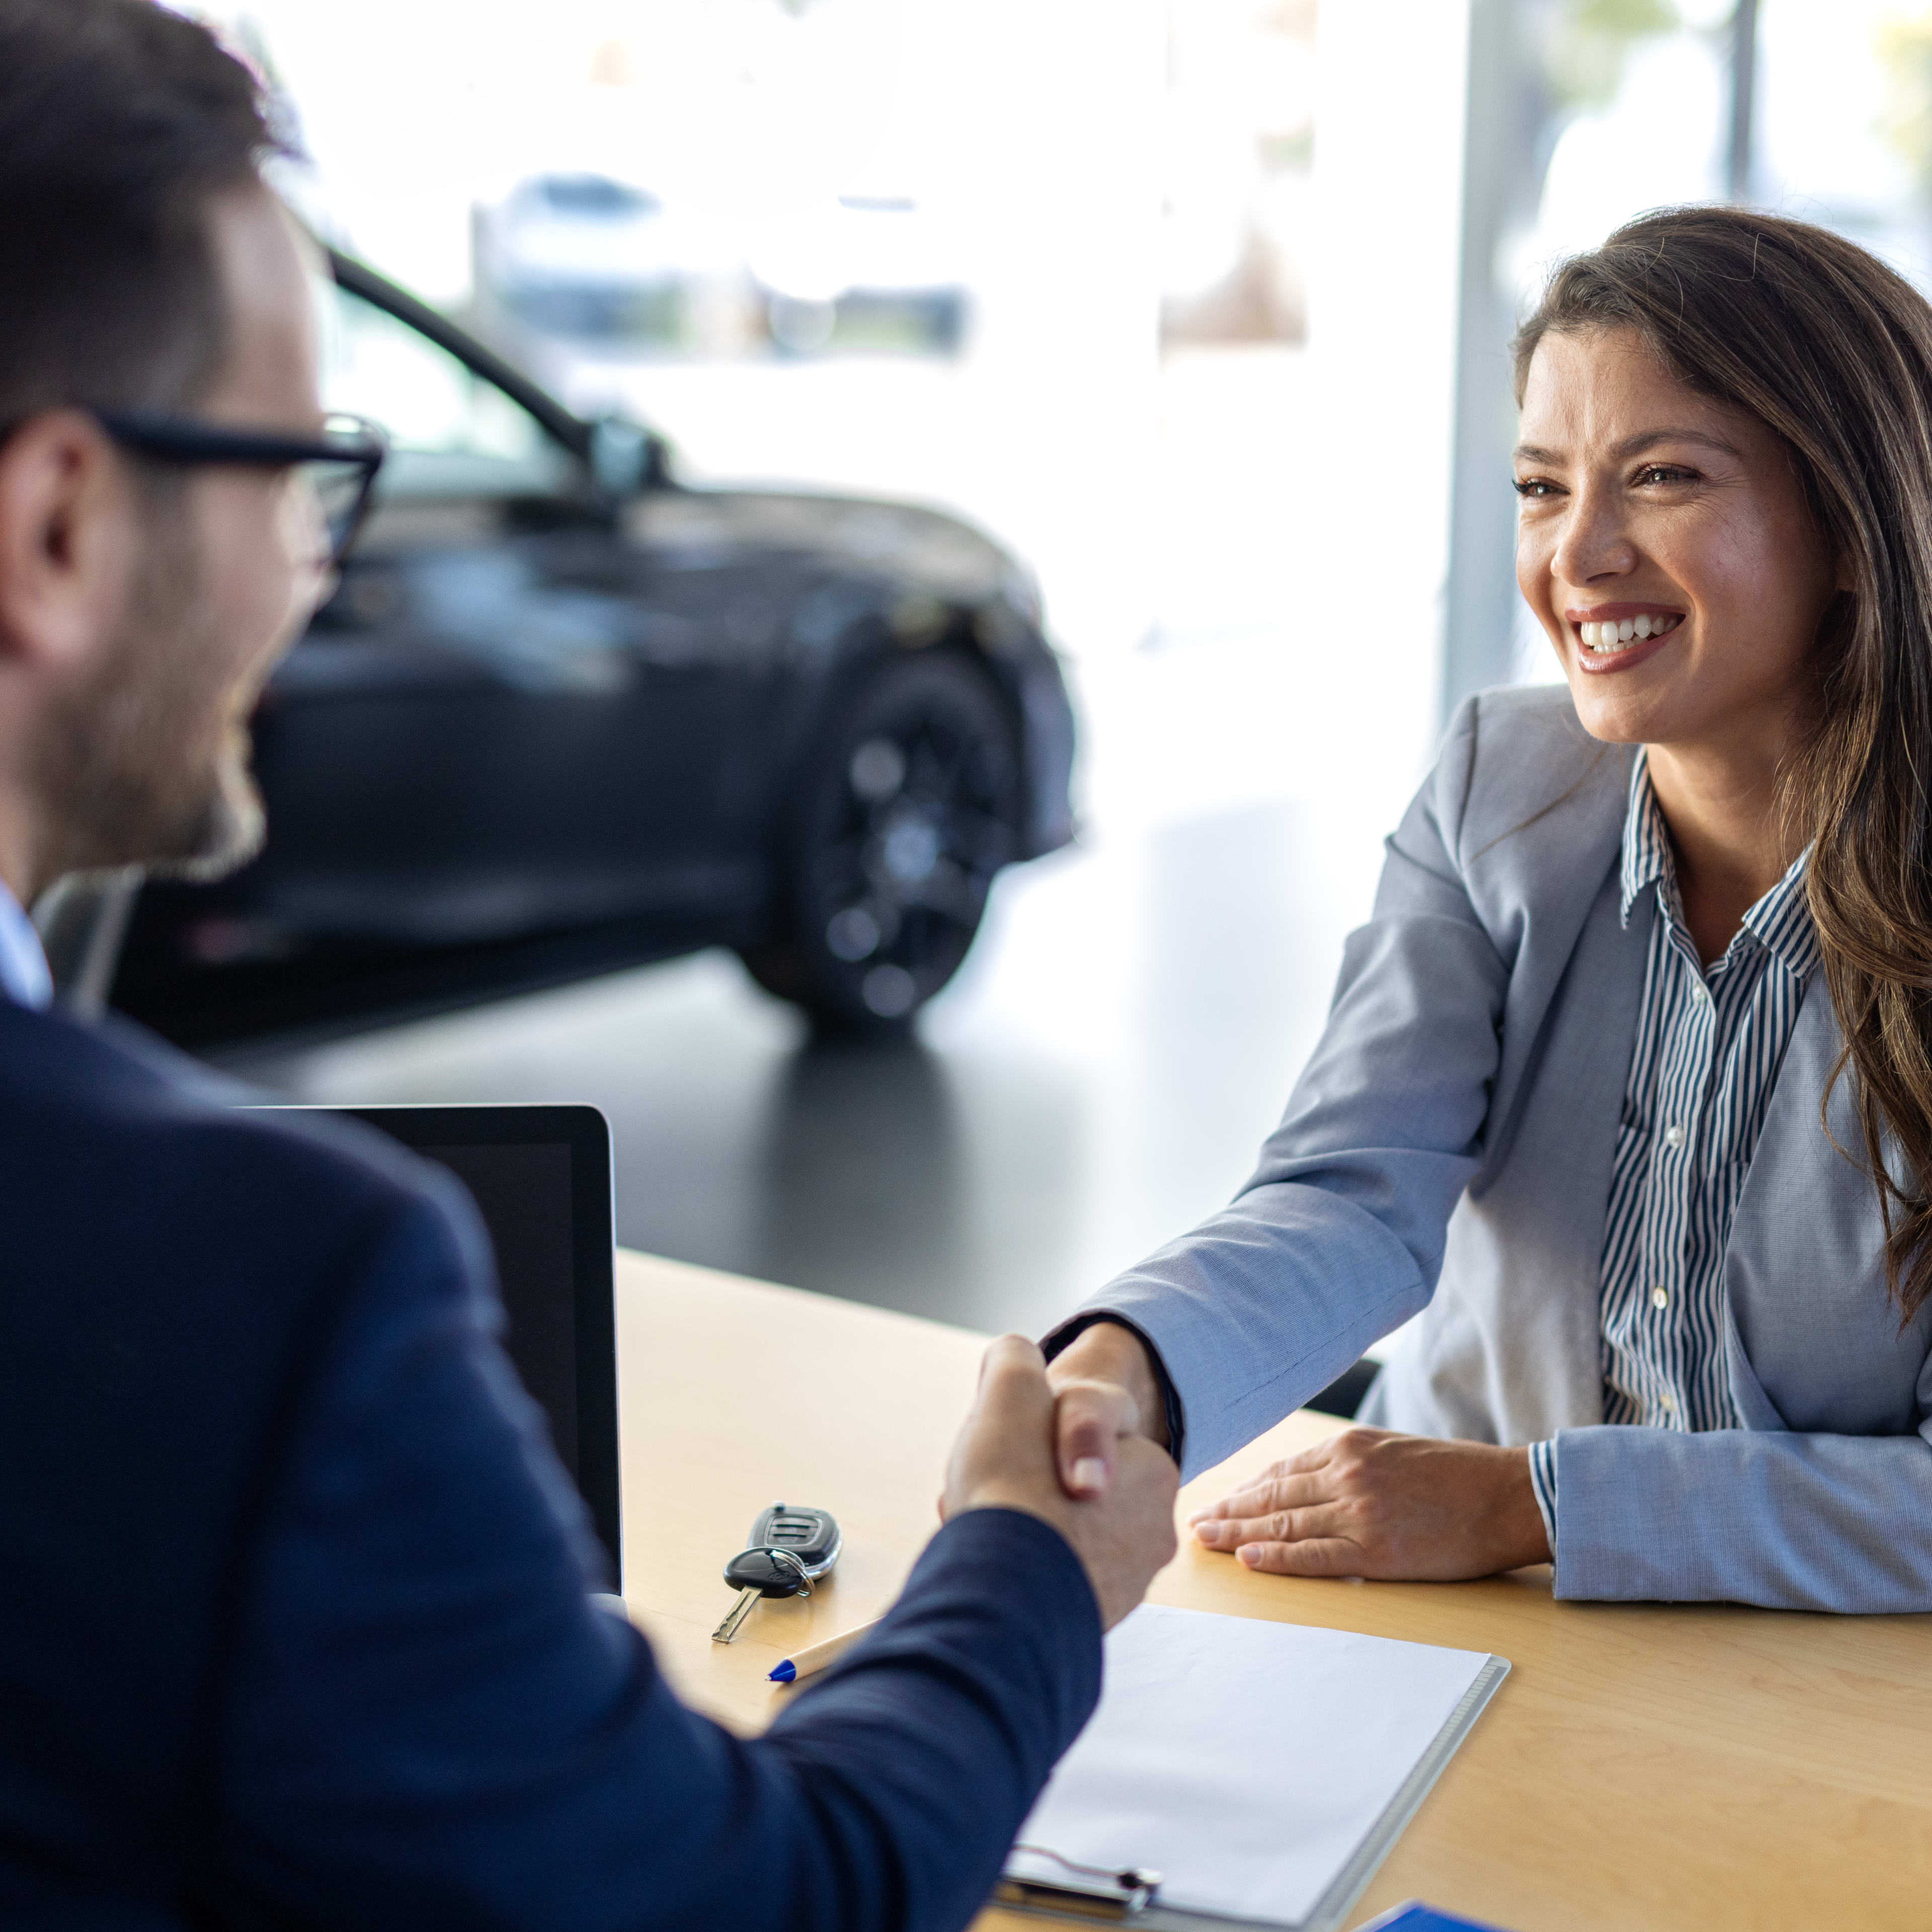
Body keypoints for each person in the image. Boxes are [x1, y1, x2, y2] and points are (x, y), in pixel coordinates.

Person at [0, 4, 1179, 1926]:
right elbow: (774, 1897)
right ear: (57, 525)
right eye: (297, 479)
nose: (311, 573)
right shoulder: (263, 1294)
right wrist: (1027, 1564)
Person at [1043, 202, 1932, 1615]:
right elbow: (1349, 1194)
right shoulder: (1496, 788)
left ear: (1851, 520)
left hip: (1813, 1681)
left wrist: (1539, 1505)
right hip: (1442, 1600)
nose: (1576, 558)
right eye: (1539, 487)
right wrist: (1121, 1373)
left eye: (1661, 476)